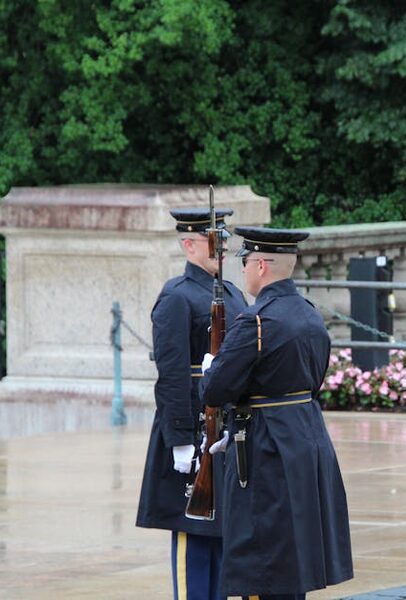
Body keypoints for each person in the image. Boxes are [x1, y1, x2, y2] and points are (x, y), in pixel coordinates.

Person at [200, 226, 353, 600]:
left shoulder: (254, 322)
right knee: (291, 554)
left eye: (247, 262)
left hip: (264, 446)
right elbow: (313, 379)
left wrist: (211, 367)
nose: (245, 271)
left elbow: (214, 390)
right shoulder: (309, 315)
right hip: (304, 434)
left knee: (261, 557)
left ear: (262, 267)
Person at [136, 208, 248, 600]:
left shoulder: (232, 294)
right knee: (194, 540)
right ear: (188, 244)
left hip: (225, 428)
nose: (222, 248)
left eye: (223, 240)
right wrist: (180, 439)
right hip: (193, 430)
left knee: (222, 534)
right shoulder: (176, 297)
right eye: (213, 240)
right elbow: (171, 375)